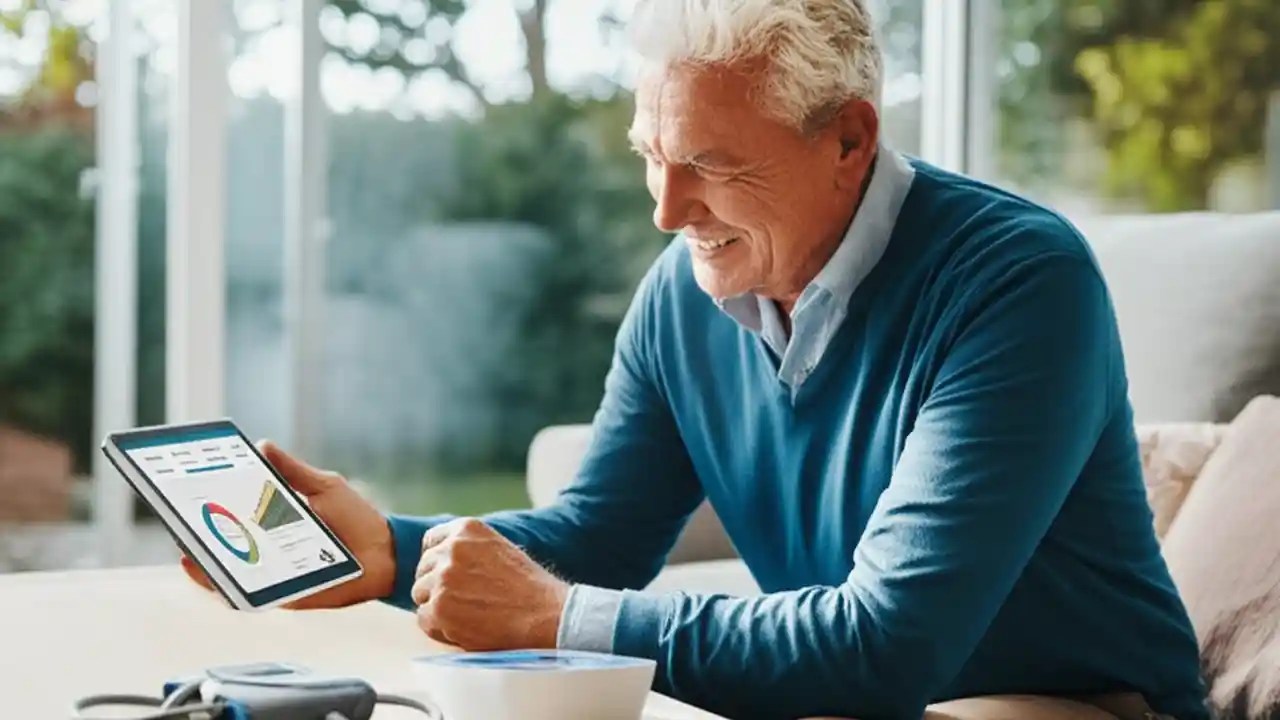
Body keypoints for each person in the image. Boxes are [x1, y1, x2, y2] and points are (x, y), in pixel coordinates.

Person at [183, 1, 1210, 718]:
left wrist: (558, 617)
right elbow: (601, 537)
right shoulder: (687, 292)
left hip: (1079, 704)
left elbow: (887, 646)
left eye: (710, 168)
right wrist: (394, 554)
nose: (667, 212)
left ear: (848, 140)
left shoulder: (1017, 282)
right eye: (649, 157)